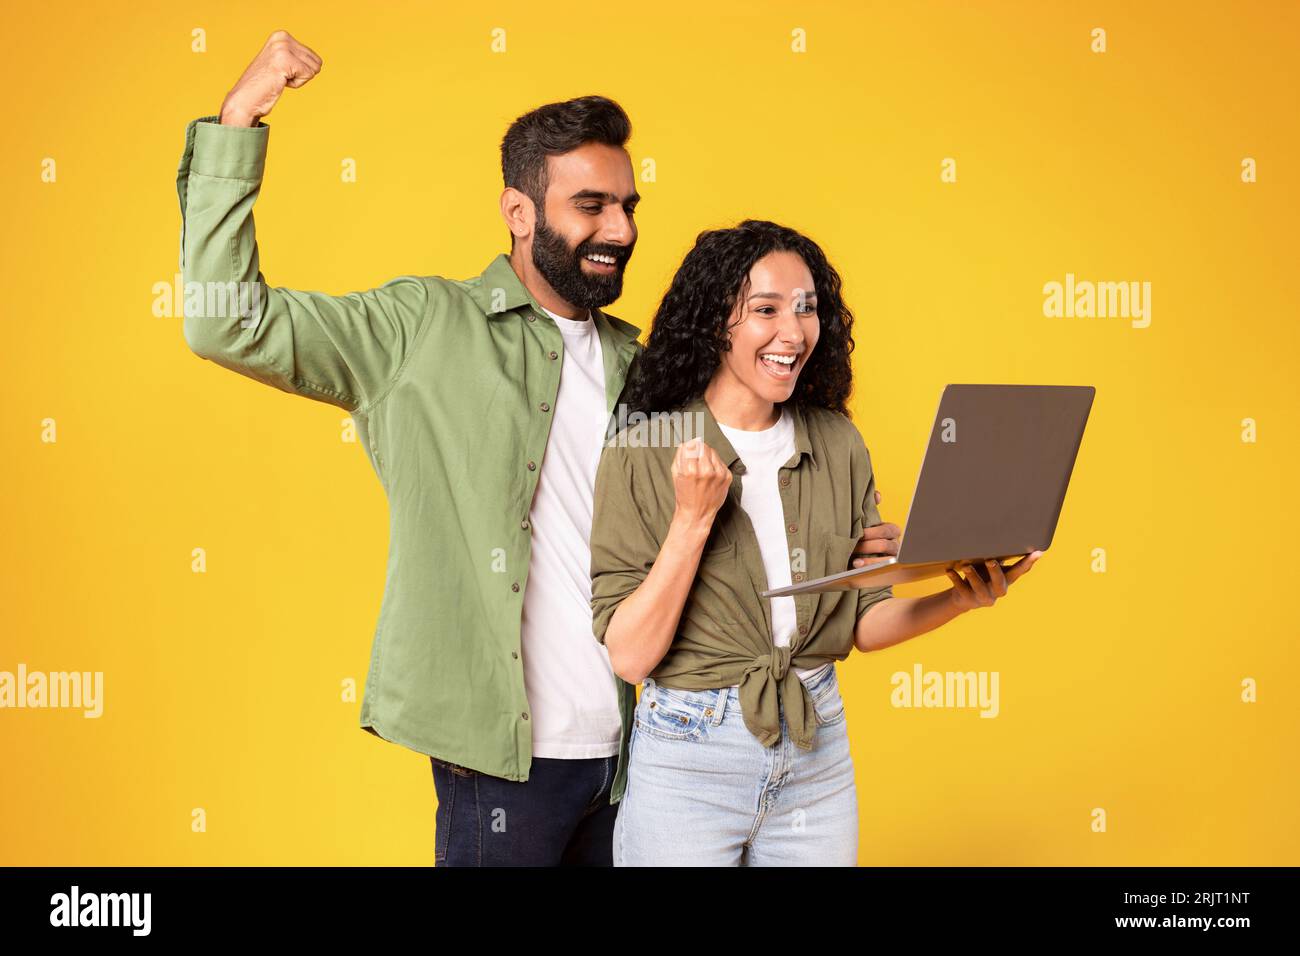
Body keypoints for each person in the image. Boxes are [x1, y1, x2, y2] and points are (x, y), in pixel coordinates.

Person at [175, 30, 903, 866]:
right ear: (519, 213)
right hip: (503, 763)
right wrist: (238, 123)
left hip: (642, 755)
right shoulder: (421, 329)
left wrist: (852, 557)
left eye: (628, 206)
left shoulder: (648, 367)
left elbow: (741, 498)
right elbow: (227, 323)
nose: (620, 228)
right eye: (591, 205)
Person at [589, 220, 1042, 866]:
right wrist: (691, 522)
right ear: (715, 323)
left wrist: (960, 597)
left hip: (816, 744)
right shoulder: (641, 451)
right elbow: (631, 657)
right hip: (691, 755)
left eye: (806, 308)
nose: (794, 332)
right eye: (766, 310)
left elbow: (864, 624)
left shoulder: (837, 444)